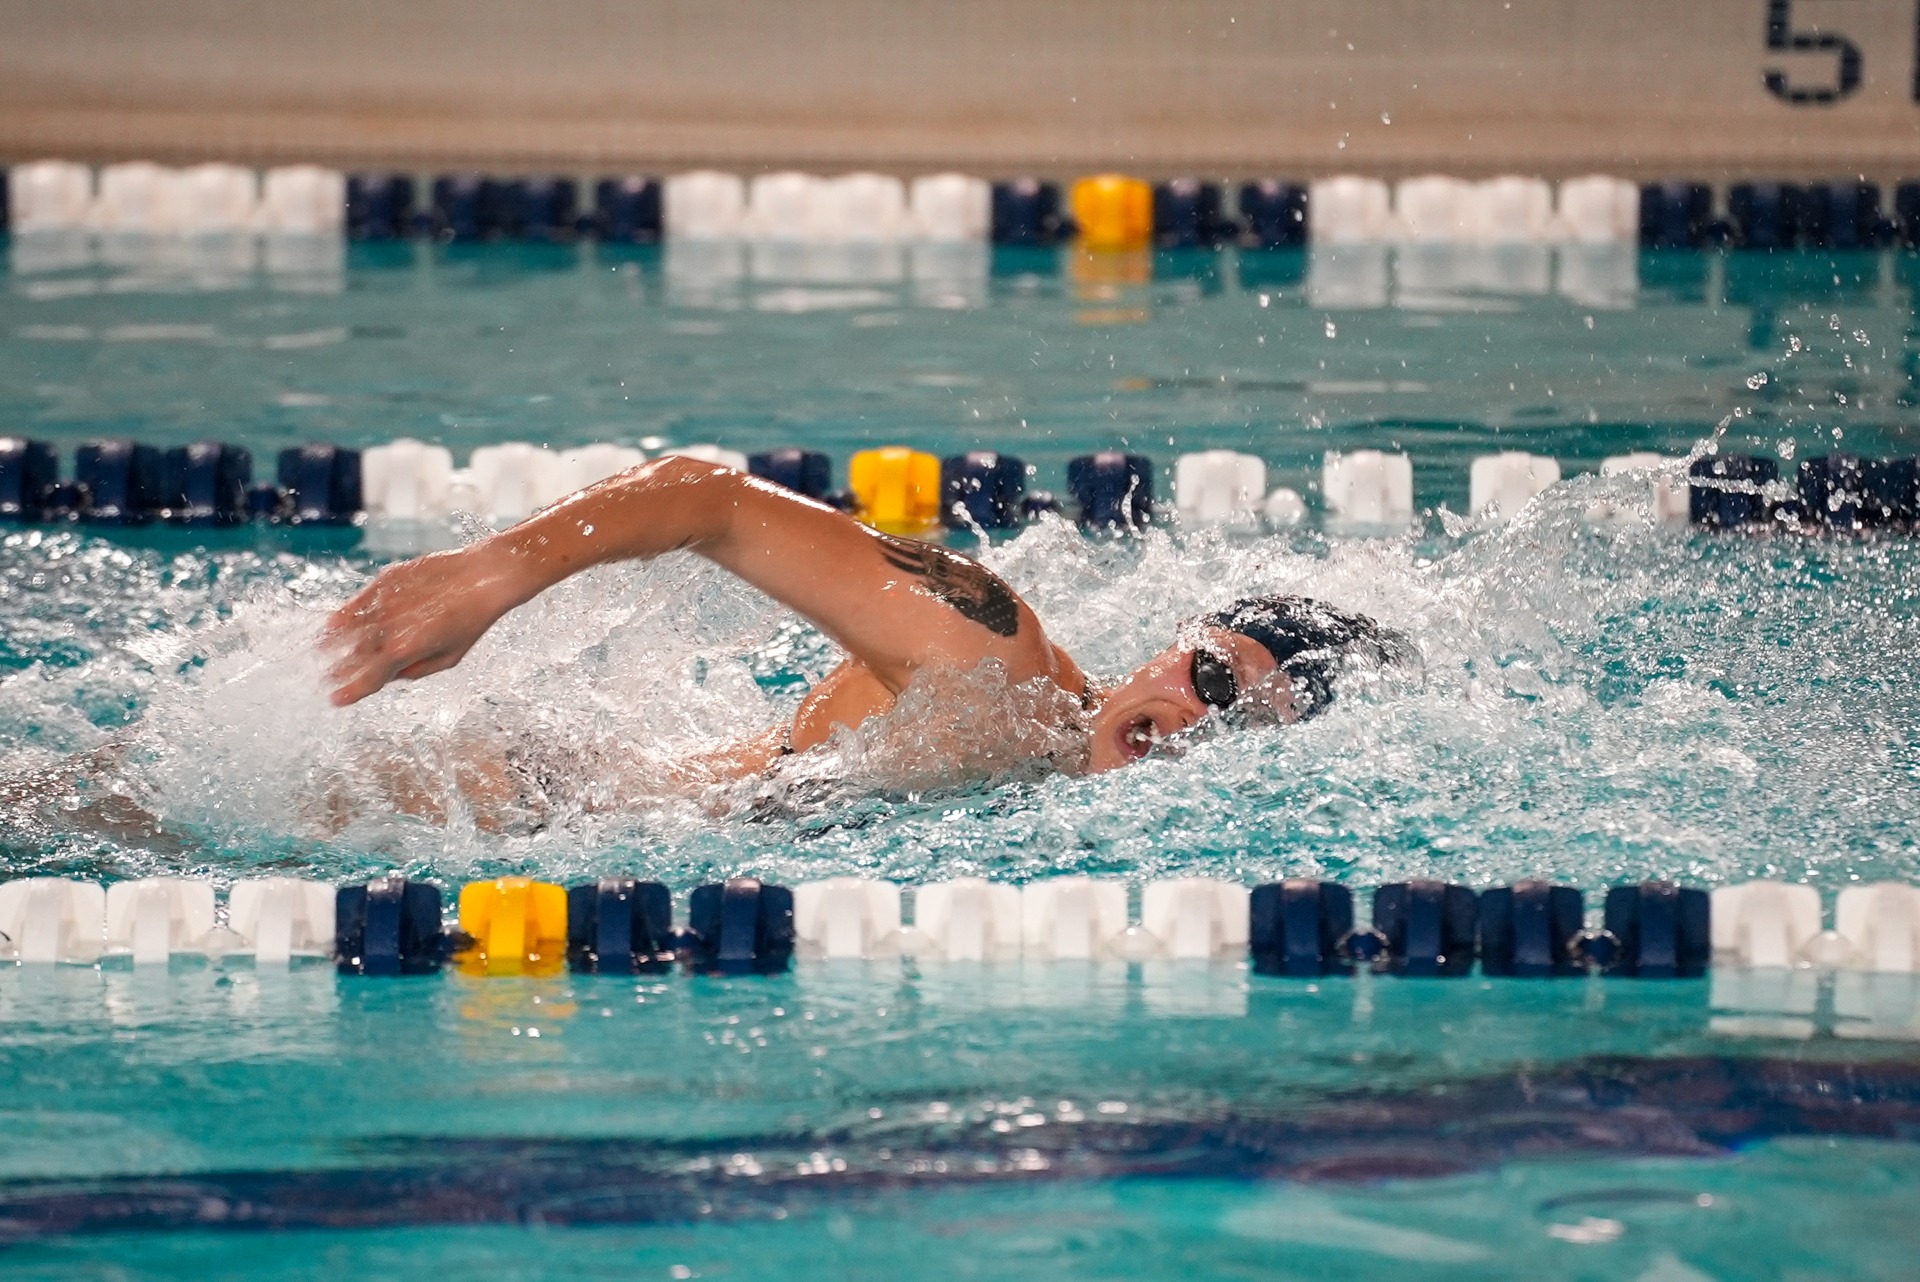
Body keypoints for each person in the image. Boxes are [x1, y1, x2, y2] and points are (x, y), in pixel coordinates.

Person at [323, 456, 1412, 815]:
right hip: (509, 801)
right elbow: (710, 500)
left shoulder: (1057, 792)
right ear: (1172, 645)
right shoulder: (997, 663)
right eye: (1211, 676)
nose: (1197, 722)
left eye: (1242, 726)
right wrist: (491, 573)